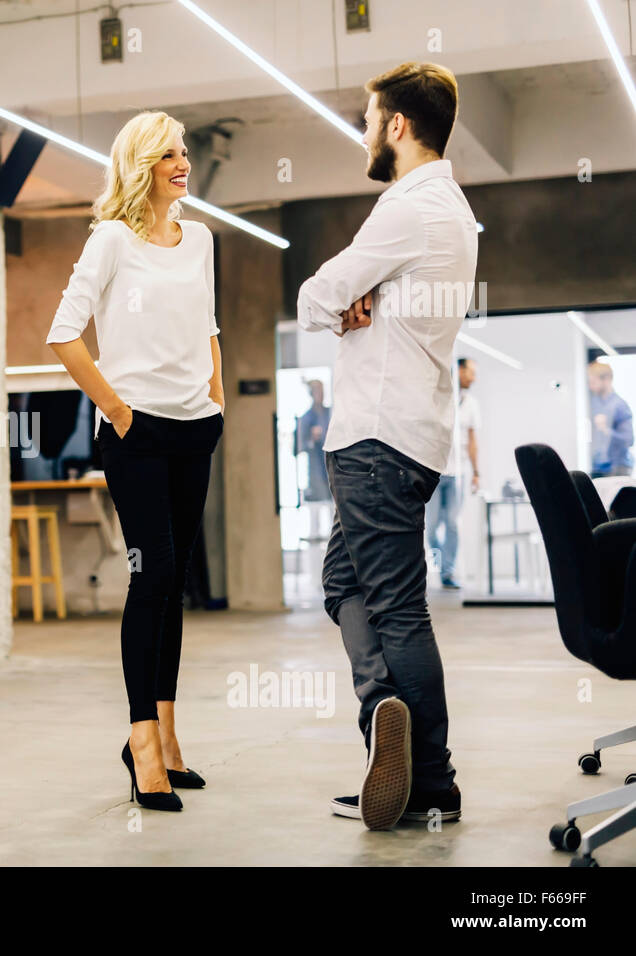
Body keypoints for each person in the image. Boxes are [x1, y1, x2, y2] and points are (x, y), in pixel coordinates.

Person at [296, 62, 478, 830]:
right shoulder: (452, 208)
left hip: (375, 435)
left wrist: (342, 304)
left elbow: (315, 295)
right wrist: (353, 301)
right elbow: (346, 296)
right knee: (344, 581)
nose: (365, 132)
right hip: (410, 435)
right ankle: (394, 738)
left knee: (397, 610)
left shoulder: (405, 206)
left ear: (397, 125)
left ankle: (421, 770)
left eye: (369, 119)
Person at [48, 110, 224, 813]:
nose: (183, 164)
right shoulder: (111, 241)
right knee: (149, 581)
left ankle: (170, 740)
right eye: (168, 156)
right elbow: (63, 335)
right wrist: (120, 412)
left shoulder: (202, 238)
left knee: (174, 583)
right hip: (137, 435)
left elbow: (208, 328)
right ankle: (141, 745)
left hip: (194, 430)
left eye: (184, 153)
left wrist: (215, 400)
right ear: (139, 166)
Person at [425, 357, 480, 589]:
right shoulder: (436, 398)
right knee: (432, 523)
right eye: (470, 372)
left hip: (457, 474)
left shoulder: (470, 403)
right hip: (434, 472)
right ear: (458, 370)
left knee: (453, 523)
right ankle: (438, 565)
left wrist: (477, 472)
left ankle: (447, 571)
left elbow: (472, 440)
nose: (473, 377)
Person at [296, 379, 333, 537]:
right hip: (316, 468)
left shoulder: (331, 413)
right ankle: (316, 534)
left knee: (333, 505)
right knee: (317, 505)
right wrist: (312, 438)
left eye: (323, 390)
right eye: (318, 391)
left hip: (331, 466)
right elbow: (300, 446)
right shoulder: (306, 418)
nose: (321, 394)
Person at [588, 360, 633, 478]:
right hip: (597, 466)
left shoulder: (620, 405)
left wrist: (606, 430)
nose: (590, 386)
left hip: (618, 467)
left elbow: (629, 440)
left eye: (593, 382)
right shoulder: (593, 403)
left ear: (607, 379)